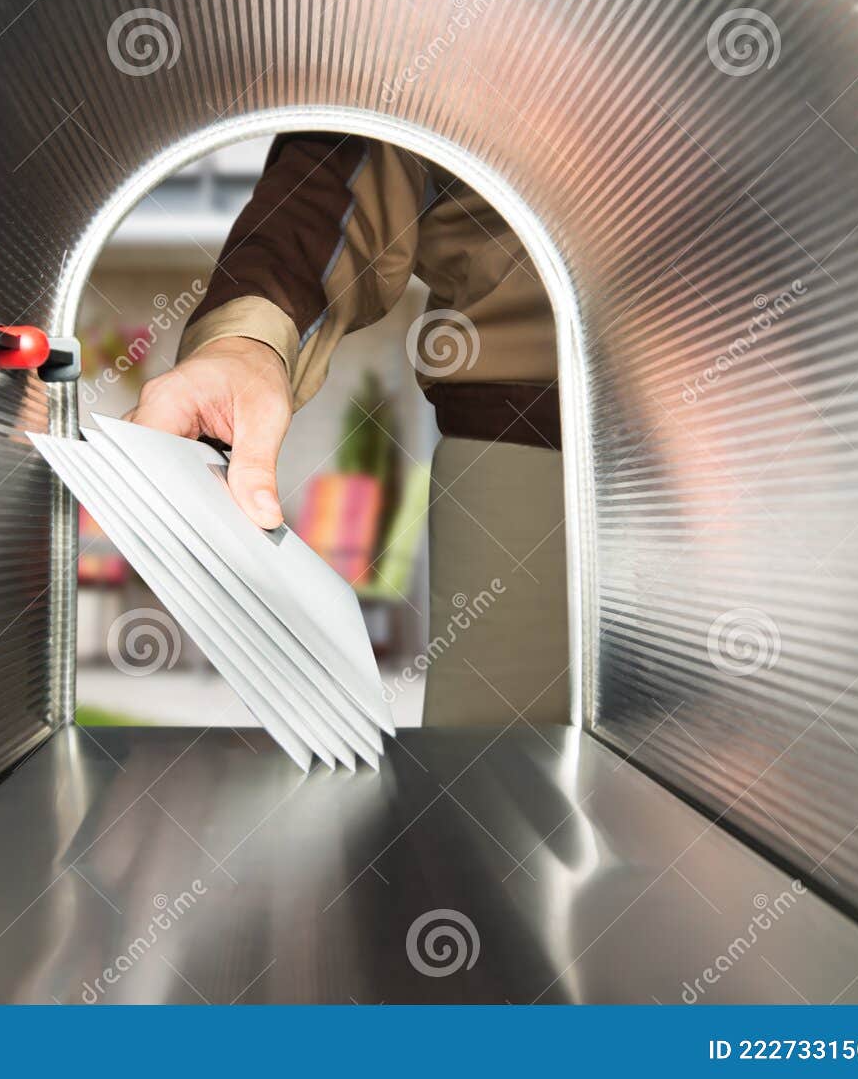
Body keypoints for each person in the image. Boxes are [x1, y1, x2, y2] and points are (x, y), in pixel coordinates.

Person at [127, 133, 567, 726]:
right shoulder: (459, 47)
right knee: (509, 788)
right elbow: (354, 150)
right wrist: (248, 340)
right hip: (534, 452)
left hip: (729, 450)